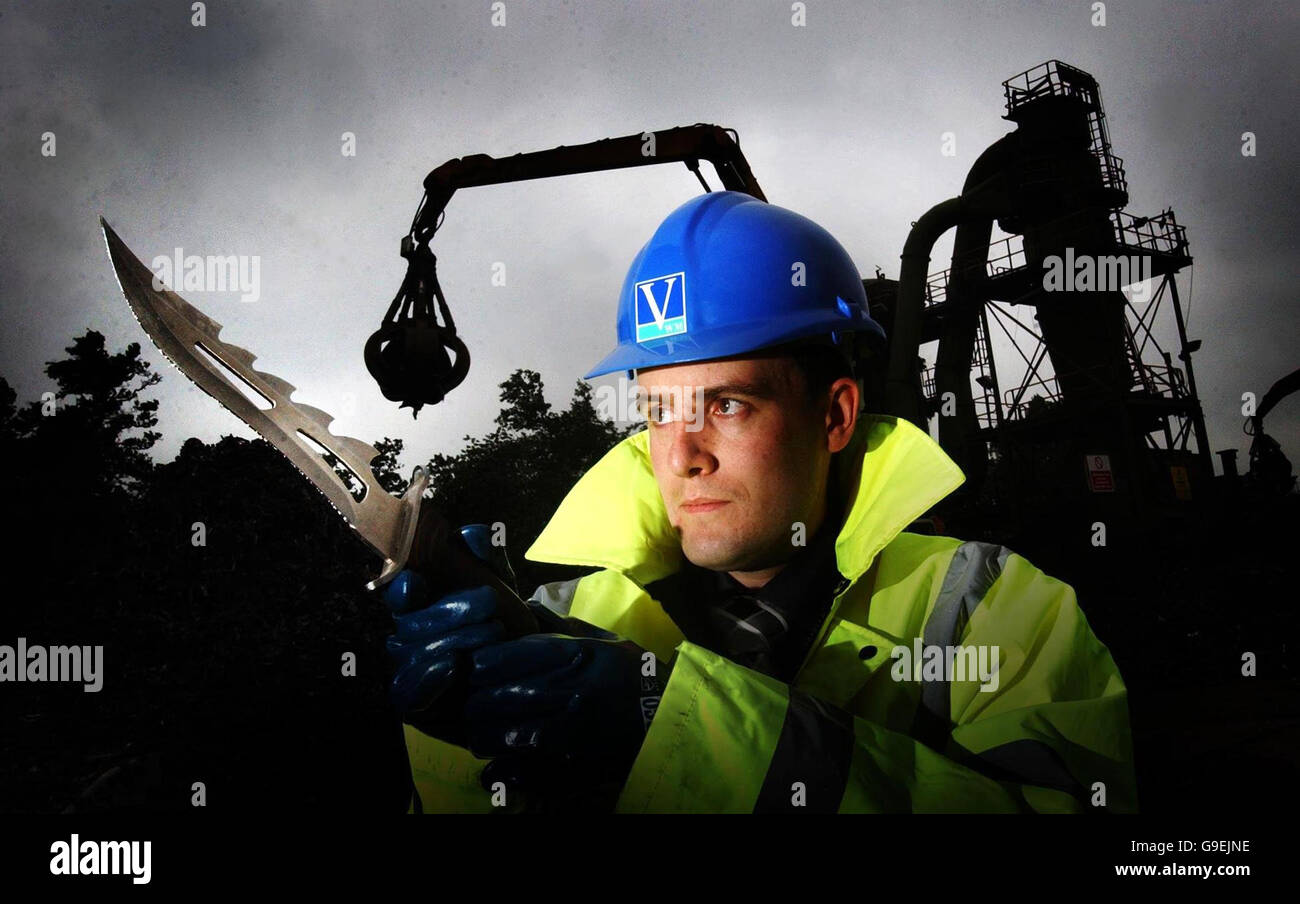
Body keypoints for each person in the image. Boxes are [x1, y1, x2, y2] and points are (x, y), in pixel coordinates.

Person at [385, 191, 1137, 813]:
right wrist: (461, 736)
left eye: (728, 407)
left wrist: (673, 733)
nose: (682, 456)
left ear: (835, 416)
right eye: (655, 413)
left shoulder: (991, 608)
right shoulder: (566, 619)